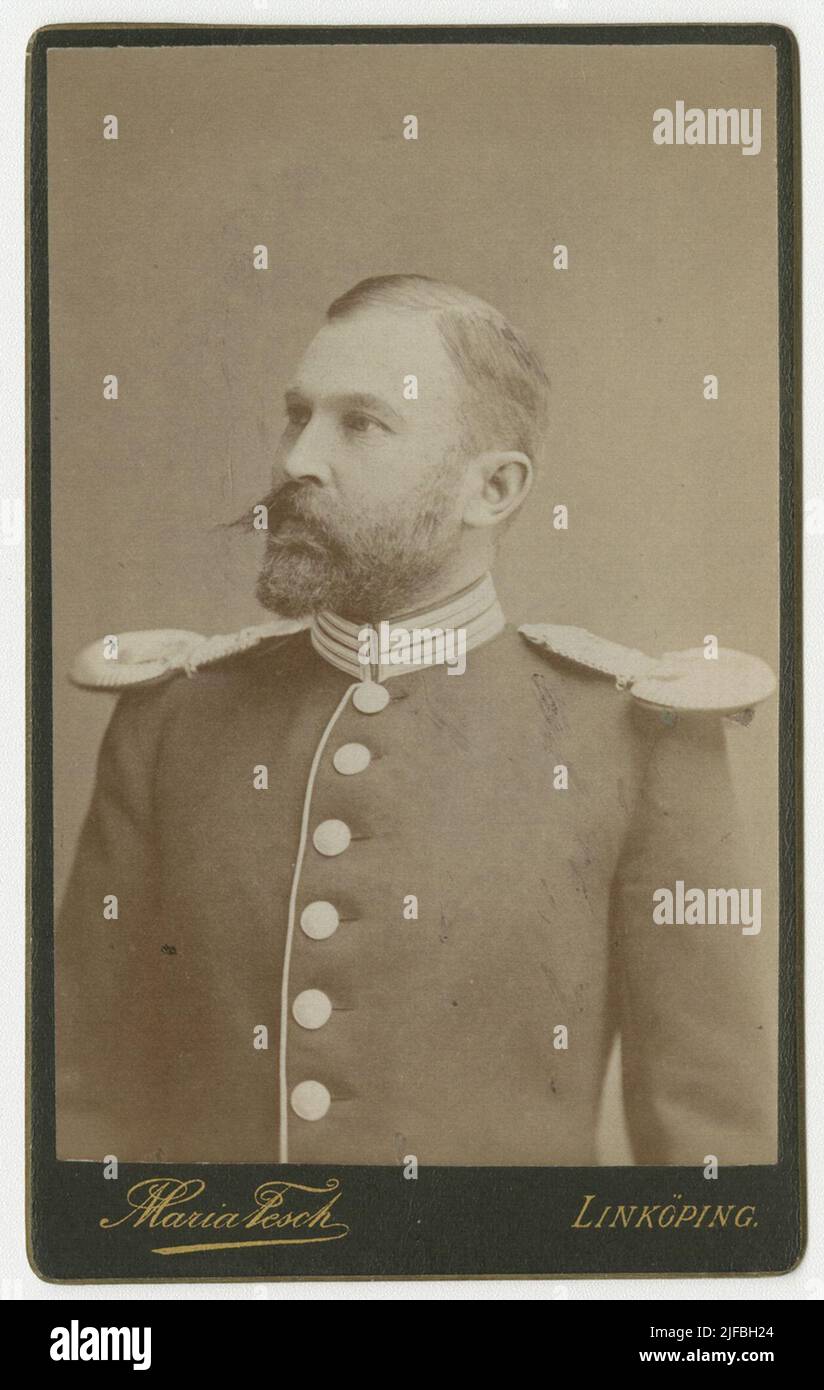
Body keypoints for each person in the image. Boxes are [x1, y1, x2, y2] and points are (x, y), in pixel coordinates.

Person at [56, 274, 776, 1166]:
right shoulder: (172, 721)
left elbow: (716, 1150)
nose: (295, 462)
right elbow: (80, 1113)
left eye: (361, 423)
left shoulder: (637, 739)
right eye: (297, 415)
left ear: (495, 489)